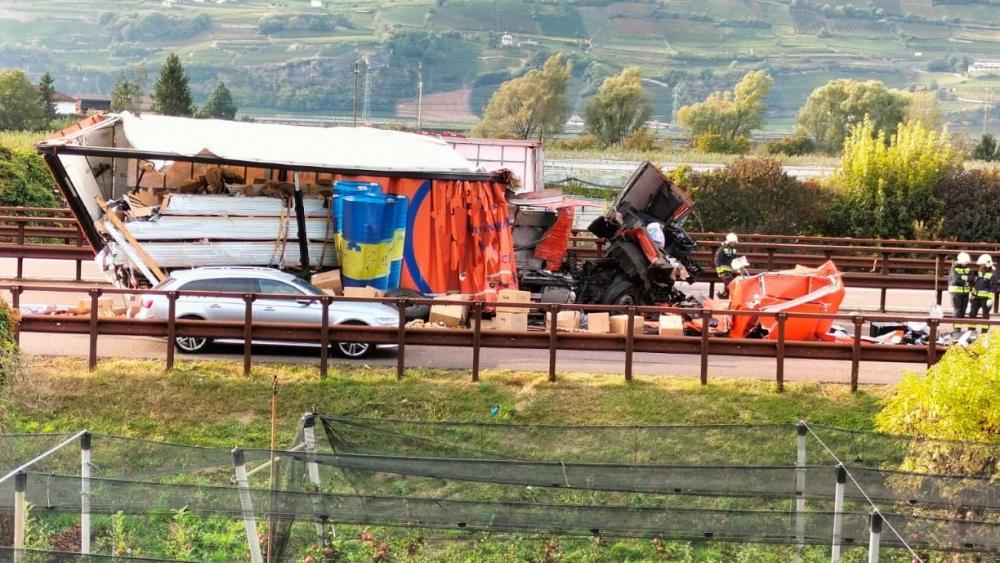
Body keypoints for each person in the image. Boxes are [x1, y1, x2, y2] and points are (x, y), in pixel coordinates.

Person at [969, 254, 996, 333]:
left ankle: (984, 333)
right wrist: (972, 294)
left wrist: (990, 299)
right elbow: (977, 284)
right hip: (976, 297)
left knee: (985, 316)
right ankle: (971, 331)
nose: (980, 265)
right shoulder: (980, 271)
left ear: (987, 264)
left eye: (982, 264)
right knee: (972, 314)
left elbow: (993, 288)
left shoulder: (992, 274)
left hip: (985, 299)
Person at [948, 252, 974, 333]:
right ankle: (956, 330)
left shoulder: (968, 269)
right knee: (957, 310)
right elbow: (956, 280)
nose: (967, 263)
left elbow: (972, 278)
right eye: (966, 261)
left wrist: (963, 278)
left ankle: (958, 328)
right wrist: (966, 280)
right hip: (956, 293)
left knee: (963, 311)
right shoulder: (954, 268)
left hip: (965, 293)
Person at [714, 232, 740, 299]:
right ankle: (721, 295)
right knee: (730, 284)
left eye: (734, 242)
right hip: (724, 271)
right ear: (728, 242)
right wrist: (720, 272)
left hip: (729, 271)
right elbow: (717, 261)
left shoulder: (733, 250)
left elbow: (734, 260)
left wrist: (738, 268)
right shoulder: (722, 249)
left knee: (729, 285)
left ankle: (722, 295)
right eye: (732, 242)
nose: (733, 244)